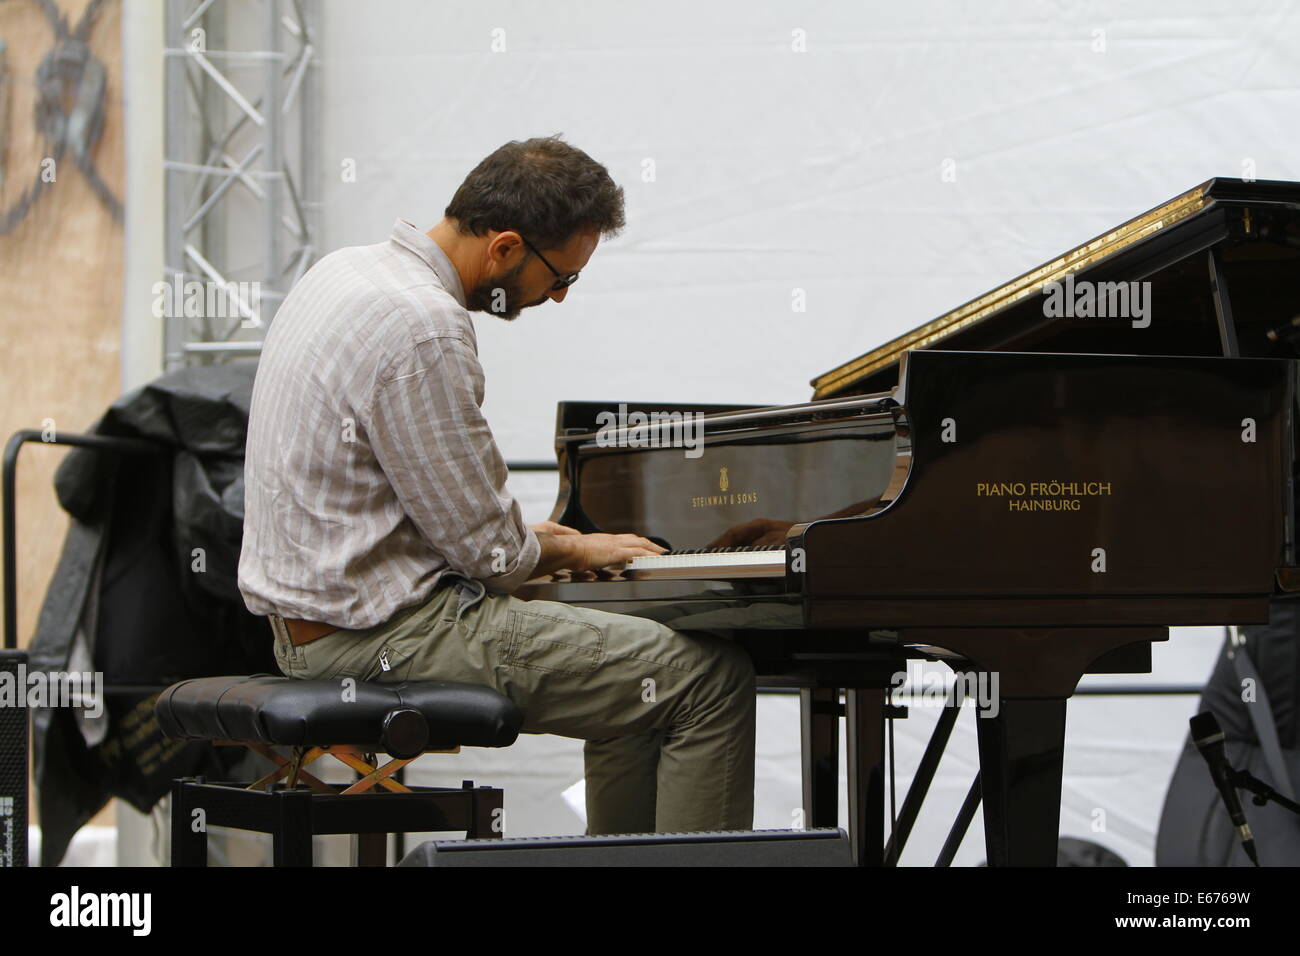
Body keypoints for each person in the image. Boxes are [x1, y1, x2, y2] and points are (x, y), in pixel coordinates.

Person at [237, 136, 756, 834]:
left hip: (308, 624)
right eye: (560, 277)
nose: (561, 296)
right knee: (710, 682)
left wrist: (539, 539)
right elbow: (493, 560)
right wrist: (565, 551)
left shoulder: (342, 273)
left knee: (637, 676)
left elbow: (427, 514)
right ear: (506, 248)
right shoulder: (426, 329)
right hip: (382, 634)